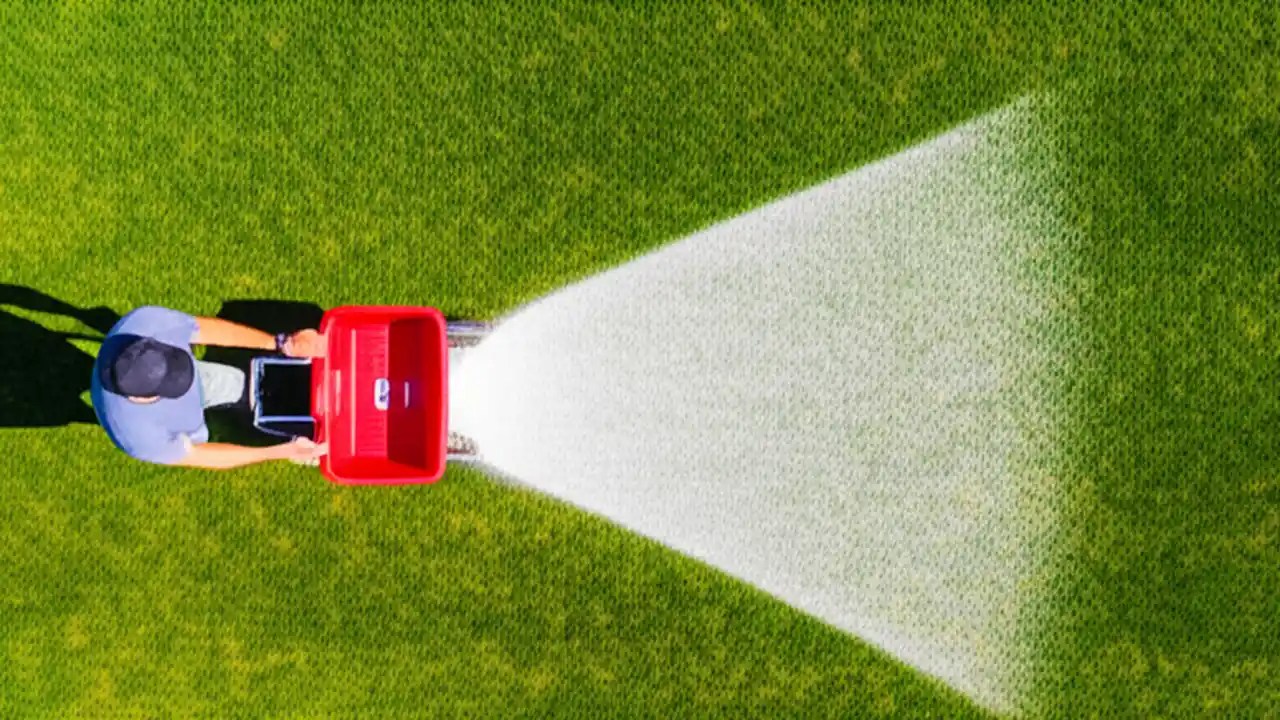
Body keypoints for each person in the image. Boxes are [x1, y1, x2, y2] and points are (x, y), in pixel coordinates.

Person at [90, 305, 328, 469]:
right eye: (174, 383)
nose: (185, 376)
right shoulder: (138, 437)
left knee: (227, 382)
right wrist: (280, 451)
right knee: (215, 395)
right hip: (140, 420)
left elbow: (208, 330)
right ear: (144, 398)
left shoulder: (144, 324)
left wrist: (282, 343)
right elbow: (202, 456)